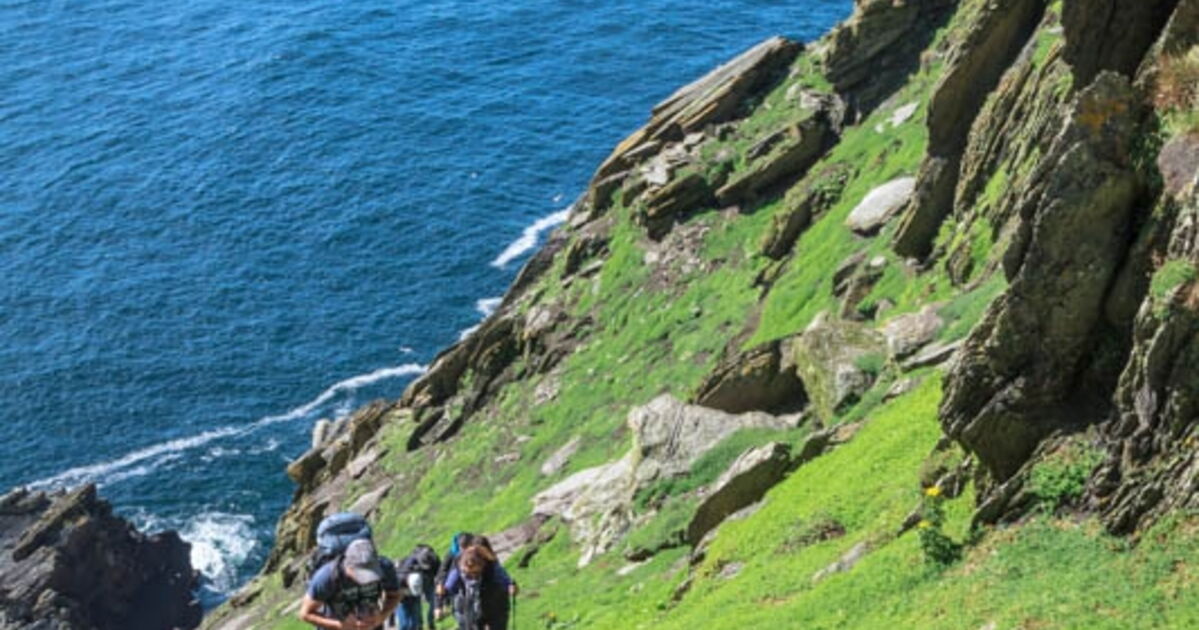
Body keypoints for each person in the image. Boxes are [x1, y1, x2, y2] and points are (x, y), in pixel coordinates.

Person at [300, 538, 404, 630]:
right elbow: (305, 614)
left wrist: (381, 617)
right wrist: (341, 626)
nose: (366, 580)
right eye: (361, 574)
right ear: (348, 566)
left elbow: (395, 595)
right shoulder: (327, 577)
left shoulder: (385, 567)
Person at [443, 546, 517, 630]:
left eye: (476, 572)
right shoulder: (457, 571)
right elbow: (447, 589)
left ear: (482, 565)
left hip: (495, 604)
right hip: (470, 608)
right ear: (462, 567)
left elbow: (507, 581)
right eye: (468, 574)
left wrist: (511, 587)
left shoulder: (492, 567)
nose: (473, 576)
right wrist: (442, 601)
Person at [396, 543, 440, 630]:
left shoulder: (433, 560)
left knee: (415, 616)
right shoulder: (402, 575)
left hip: (425, 582)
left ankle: (425, 624)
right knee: (405, 621)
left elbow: (439, 572)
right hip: (403, 591)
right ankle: (419, 625)